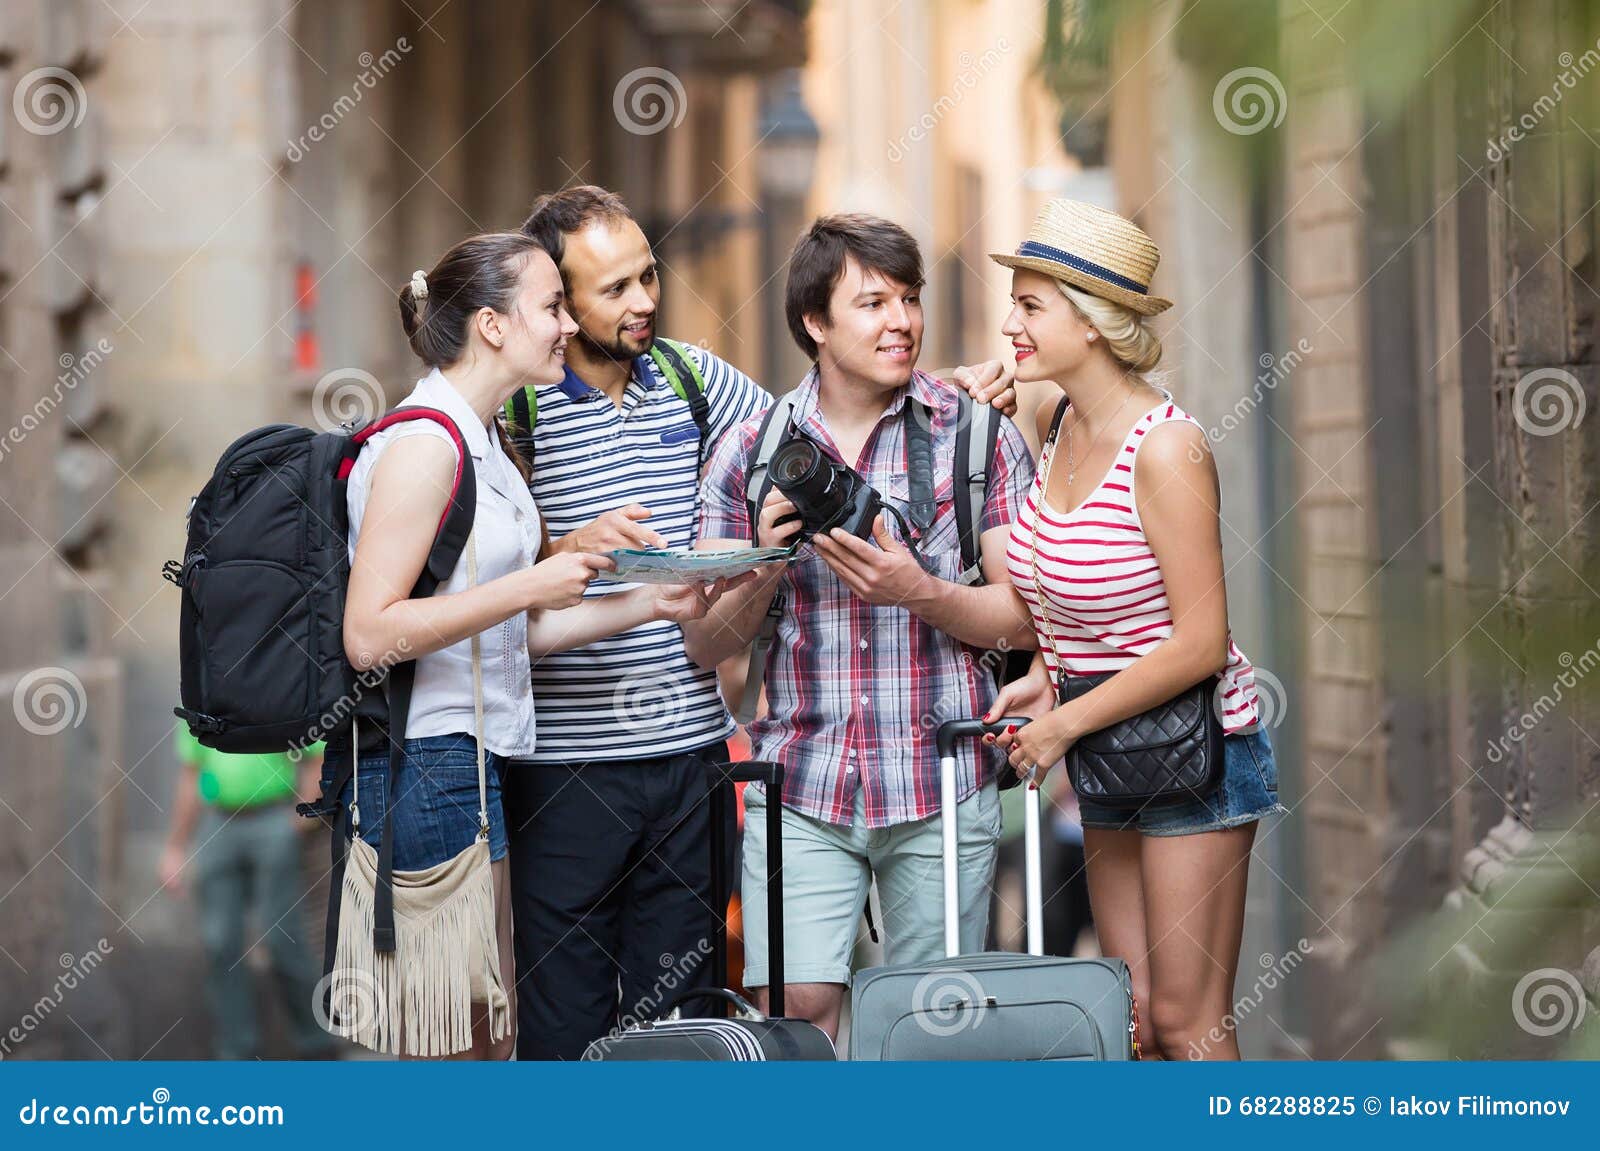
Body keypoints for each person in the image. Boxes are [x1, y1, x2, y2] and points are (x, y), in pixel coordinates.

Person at [502, 187, 1019, 1059]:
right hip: (570, 763)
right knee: (571, 1023)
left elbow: (839, 408)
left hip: (696, 762)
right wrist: (572, 544)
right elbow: (474, 564)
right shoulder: (512, 410)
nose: (644, 302)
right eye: (613, 289)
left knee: (695, 1025)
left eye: (648, 277)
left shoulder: (696, 381)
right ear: (558, 304)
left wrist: (961, 392)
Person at [325, 231, 721, 1060]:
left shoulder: (488, 443)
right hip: (426, 766)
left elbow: (514, 634)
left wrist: (650, 601)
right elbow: (369, 634)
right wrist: (530, 583)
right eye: (551, 307)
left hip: (479, 767)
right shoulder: (425, 444)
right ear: (494, 326)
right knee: (449, 1049)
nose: (567, 327)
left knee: (490, 1037)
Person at [683, 213, 1038, 1043]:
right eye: (873, 302)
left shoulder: (974, 433)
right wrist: (763, 566)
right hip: (801, 777)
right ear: (814, 321)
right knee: (796, 1012)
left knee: (929, 1026)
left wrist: (919, 591)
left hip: (942, 770)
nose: (902, 322)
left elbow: (1025, 609)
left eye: (910, 300)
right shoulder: (749, 450)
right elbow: (707, 648)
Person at [985, 198, 1287, 1060]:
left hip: (1199, 751)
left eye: (1032, 305)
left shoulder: (1168, 449)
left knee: (1191, 1023)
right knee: (1136, 1021)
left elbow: (1198, 642)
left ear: (1094, 323)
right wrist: (1048, 672)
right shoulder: (1055, 427)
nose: (1010, 322)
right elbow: (1064, 590)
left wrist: (1063, 724)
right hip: (1112, 753)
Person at [161, 732, 333, 1060]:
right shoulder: (199, 690)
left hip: (274, 816)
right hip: (218, 822)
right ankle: (236, 1053)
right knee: (220, 943)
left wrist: (299, 820)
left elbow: (317, 756)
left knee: (282, 939)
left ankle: (318, 1048)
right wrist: (175, 845)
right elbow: (191, 772)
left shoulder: (276, 681)